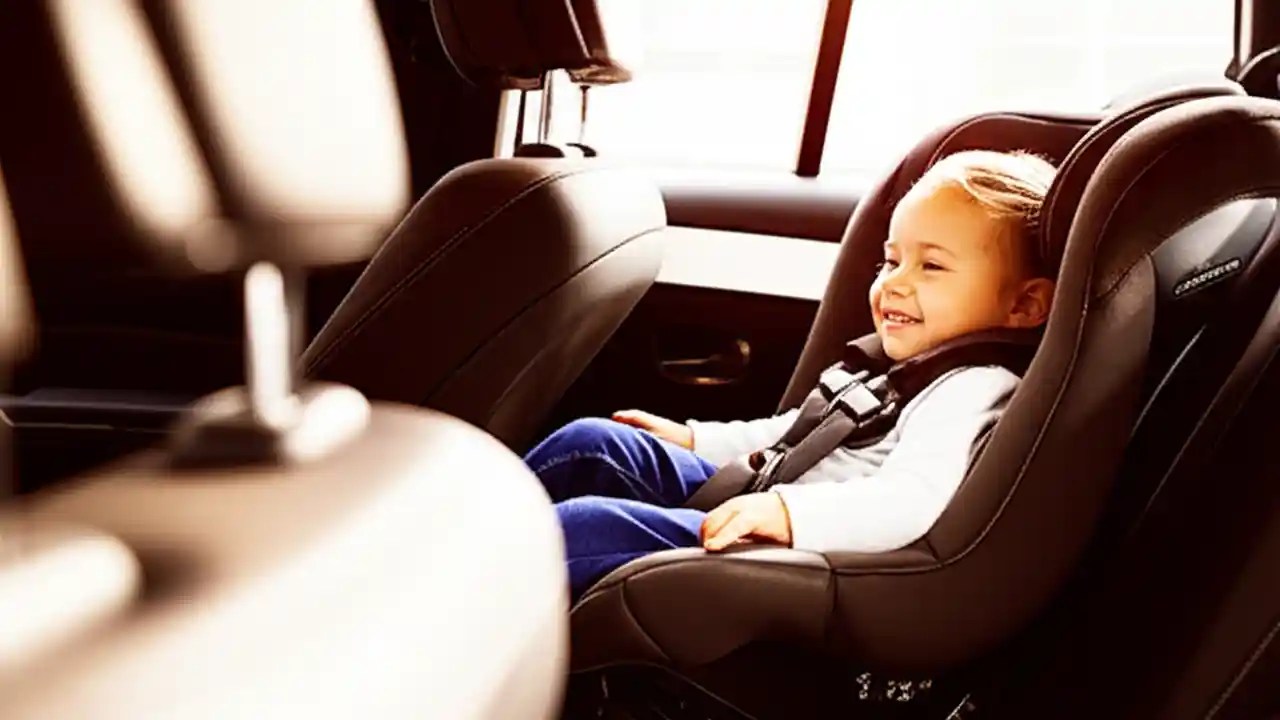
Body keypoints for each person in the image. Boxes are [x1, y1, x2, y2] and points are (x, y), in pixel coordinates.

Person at [525, 149, 1059, 601]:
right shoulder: (902, 368)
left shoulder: (975, 386)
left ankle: (488, 594)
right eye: (891, 262)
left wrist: (787, 513)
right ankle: (480, 537)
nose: (894, 283)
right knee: (593, 444)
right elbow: (794, 433)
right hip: (767, 494)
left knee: (584, 529)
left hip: (804, 552)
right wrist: (695, 439)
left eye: (932, 266)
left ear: (1024, 305)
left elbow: (913, 501)